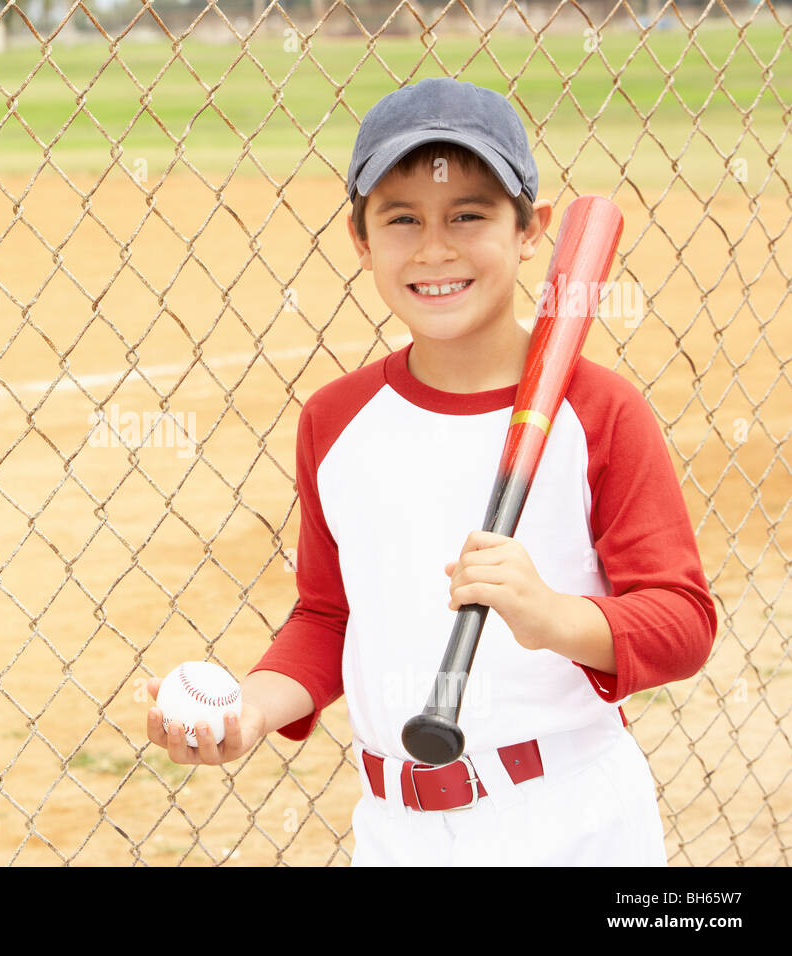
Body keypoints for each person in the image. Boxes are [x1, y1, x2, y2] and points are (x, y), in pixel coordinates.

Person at [144, 77, 716, 865]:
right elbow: (328, 615)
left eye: (469, 215)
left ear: (530, 230)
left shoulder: (600, 410)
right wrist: (253, 709)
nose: (435, 247)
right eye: (402, 219)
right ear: (360, 240)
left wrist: (553, 617)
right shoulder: (336, 420)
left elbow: (683, 623)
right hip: (396, 832)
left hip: (570, 820)